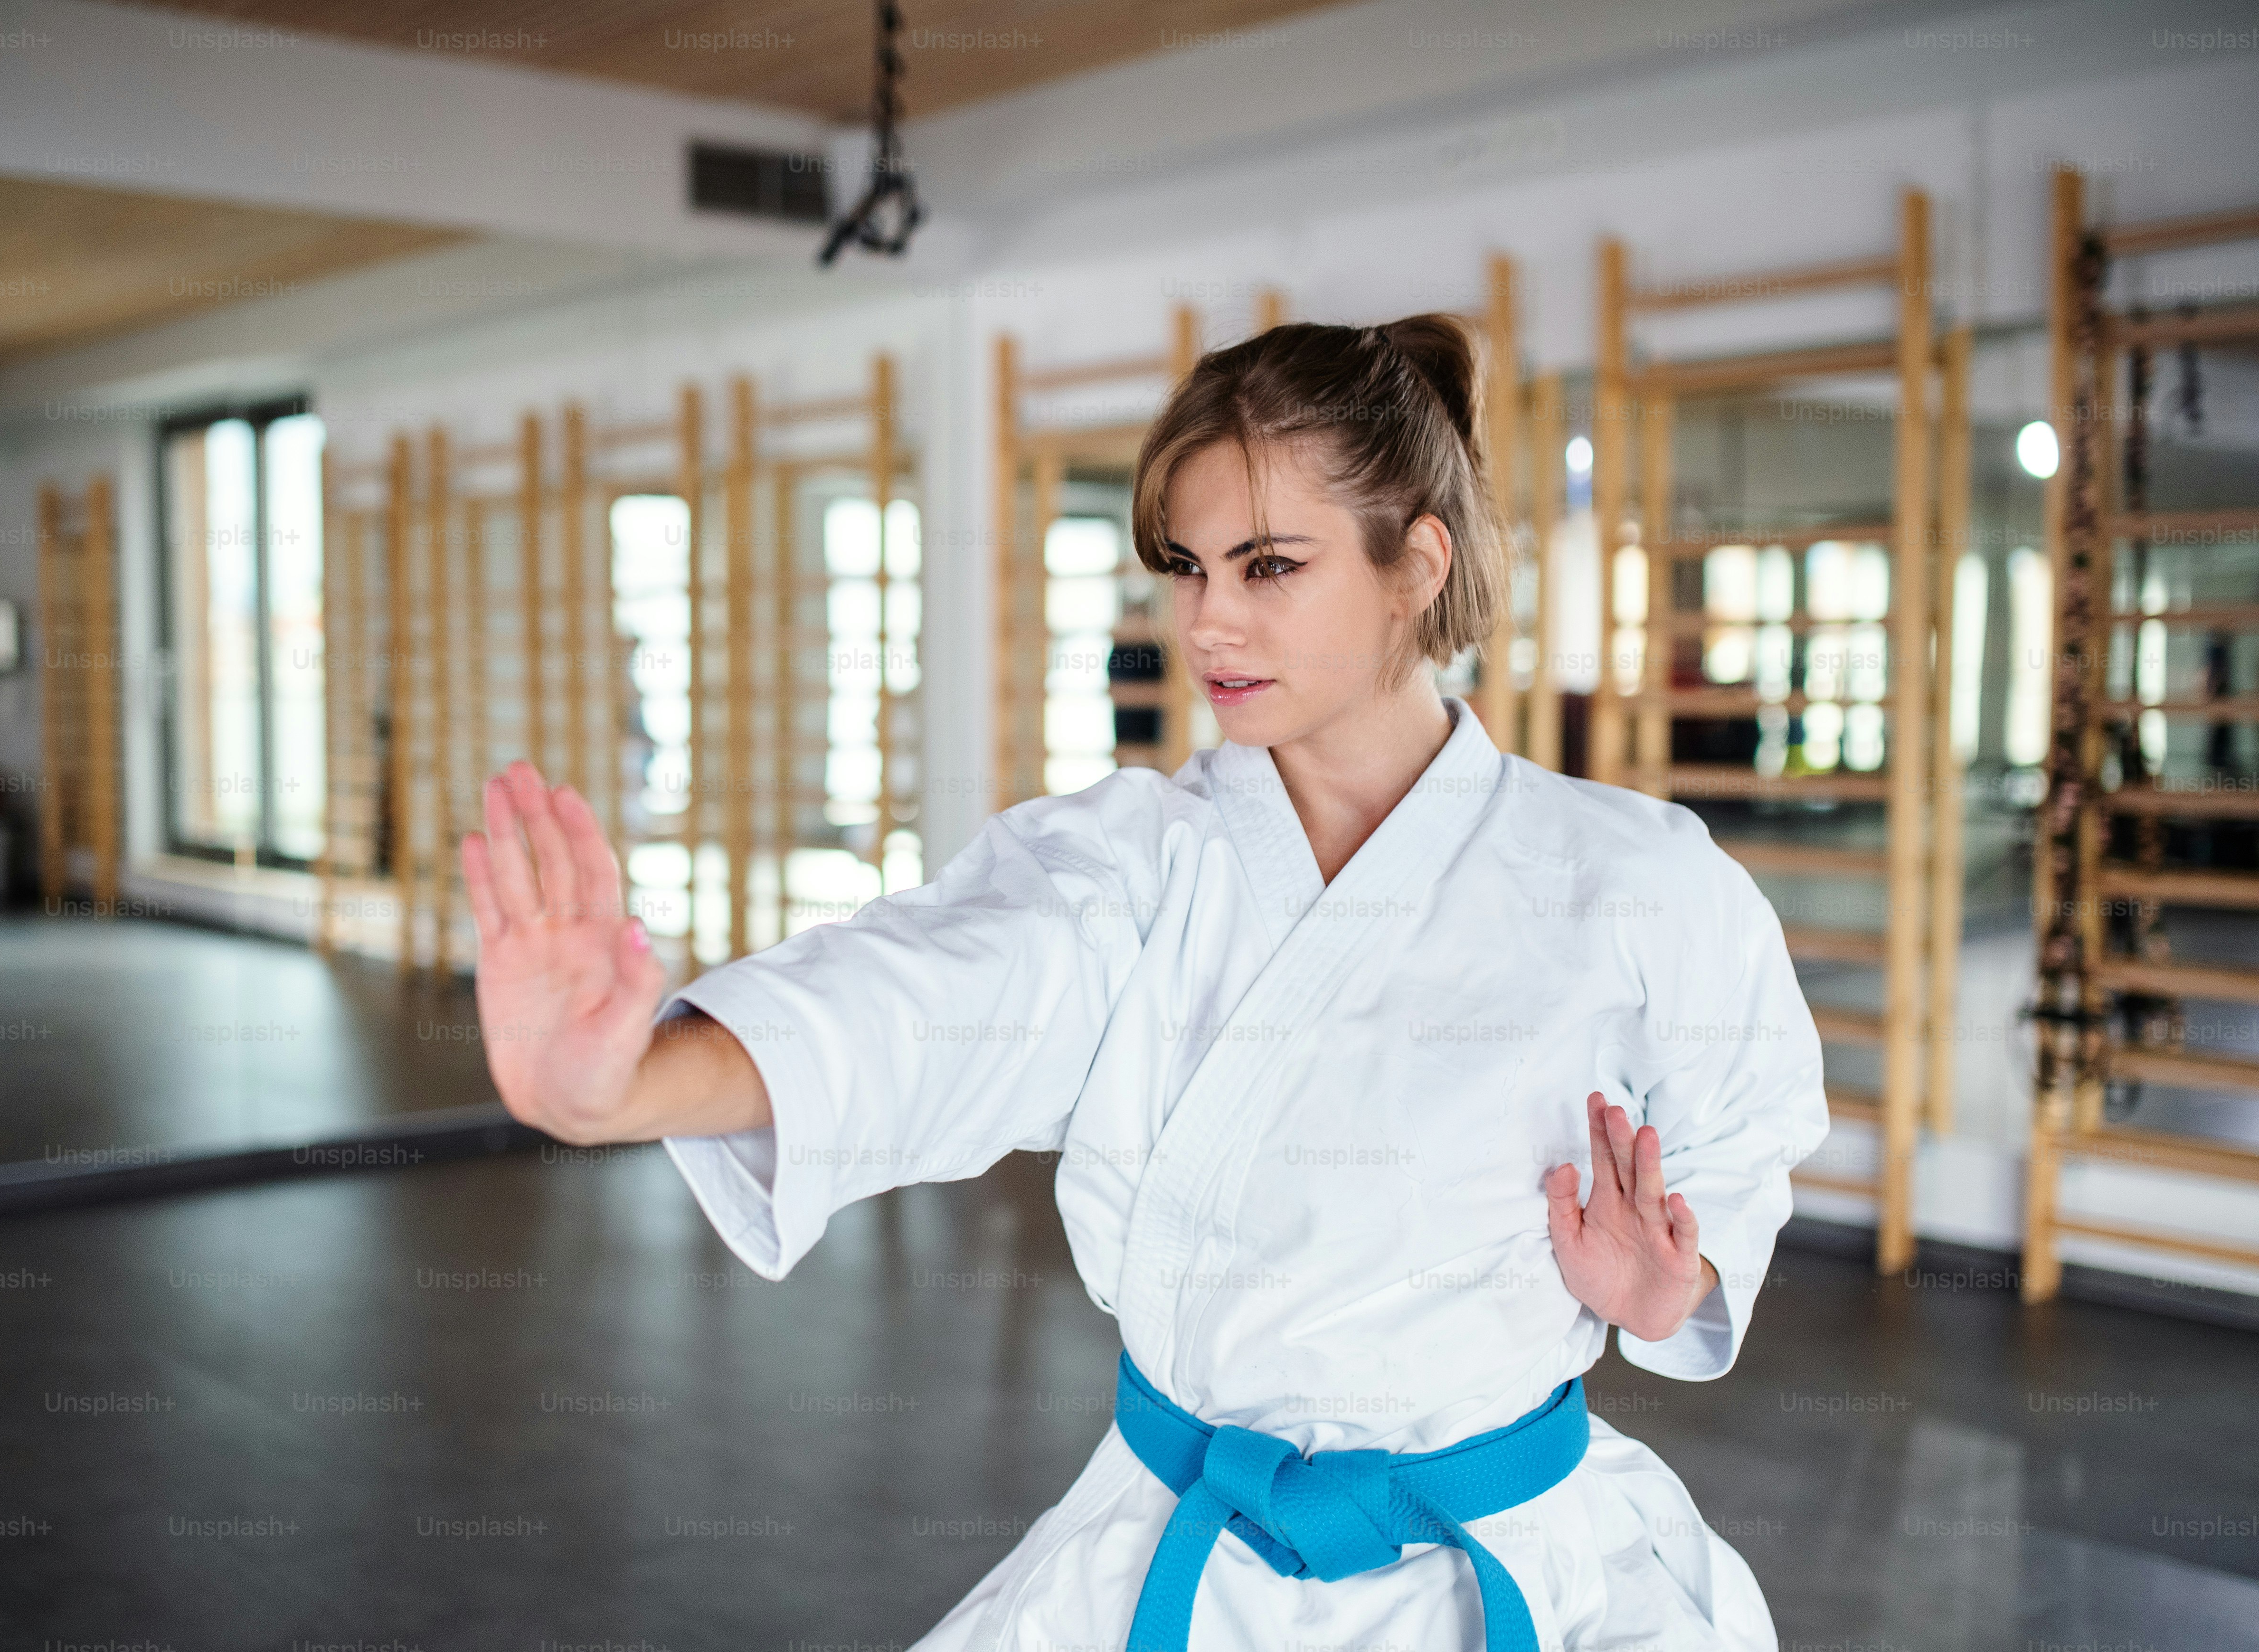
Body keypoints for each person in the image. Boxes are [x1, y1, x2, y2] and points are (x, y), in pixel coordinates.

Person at [461, 316, 1830, 1652]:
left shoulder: (1638, 878)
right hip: (1187, 1553)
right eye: (1186, 566)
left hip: (1526, 1560)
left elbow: (1744, 1131)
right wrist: (626, 1084)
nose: (1209, 621)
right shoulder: (1133, 865)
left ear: (1418, 563)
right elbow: (921, 998)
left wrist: (1670, 1287)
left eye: (1269, 567)